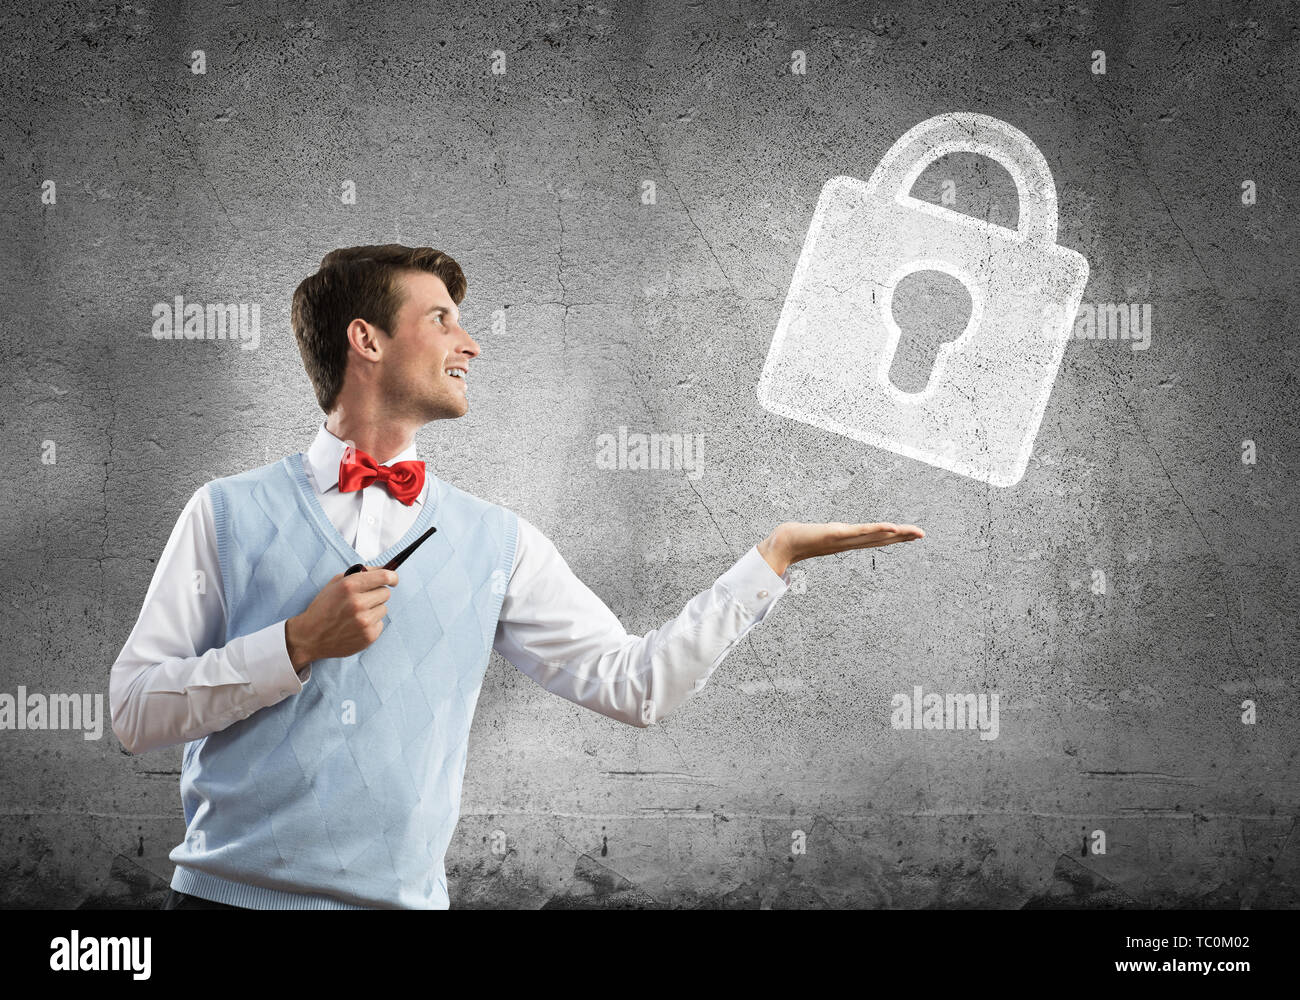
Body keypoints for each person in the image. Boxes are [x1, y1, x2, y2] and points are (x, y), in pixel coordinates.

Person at [109, 244, 924, 910]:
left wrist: (771, 560)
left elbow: (636, 687)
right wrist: (290, 646)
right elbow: (132, 711)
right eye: (442, 320)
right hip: (221, 906)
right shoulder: (224, 513)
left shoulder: (498, 543)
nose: (471, 344)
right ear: (367, 341)